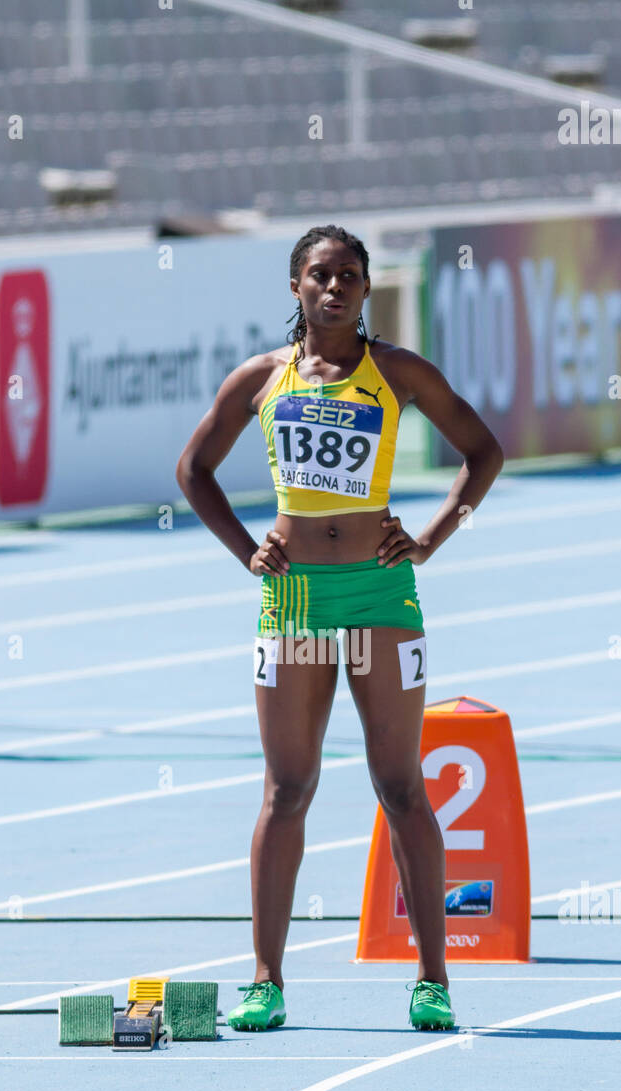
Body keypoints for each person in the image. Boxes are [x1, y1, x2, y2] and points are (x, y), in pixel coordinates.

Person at [176, 224, 503, 1033]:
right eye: (320, 276)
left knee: (400, 785)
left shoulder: (397, 372)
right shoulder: (264, 378)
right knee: (287, 791)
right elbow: (194, 470)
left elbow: (483, 452)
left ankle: (433, 979)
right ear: (295, 287)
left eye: (349, 277)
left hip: (380, 596)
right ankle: (266, 981)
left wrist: (429, 540)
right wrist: (246, 550)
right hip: (292, 602)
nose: (335, 289)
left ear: (366, 289)